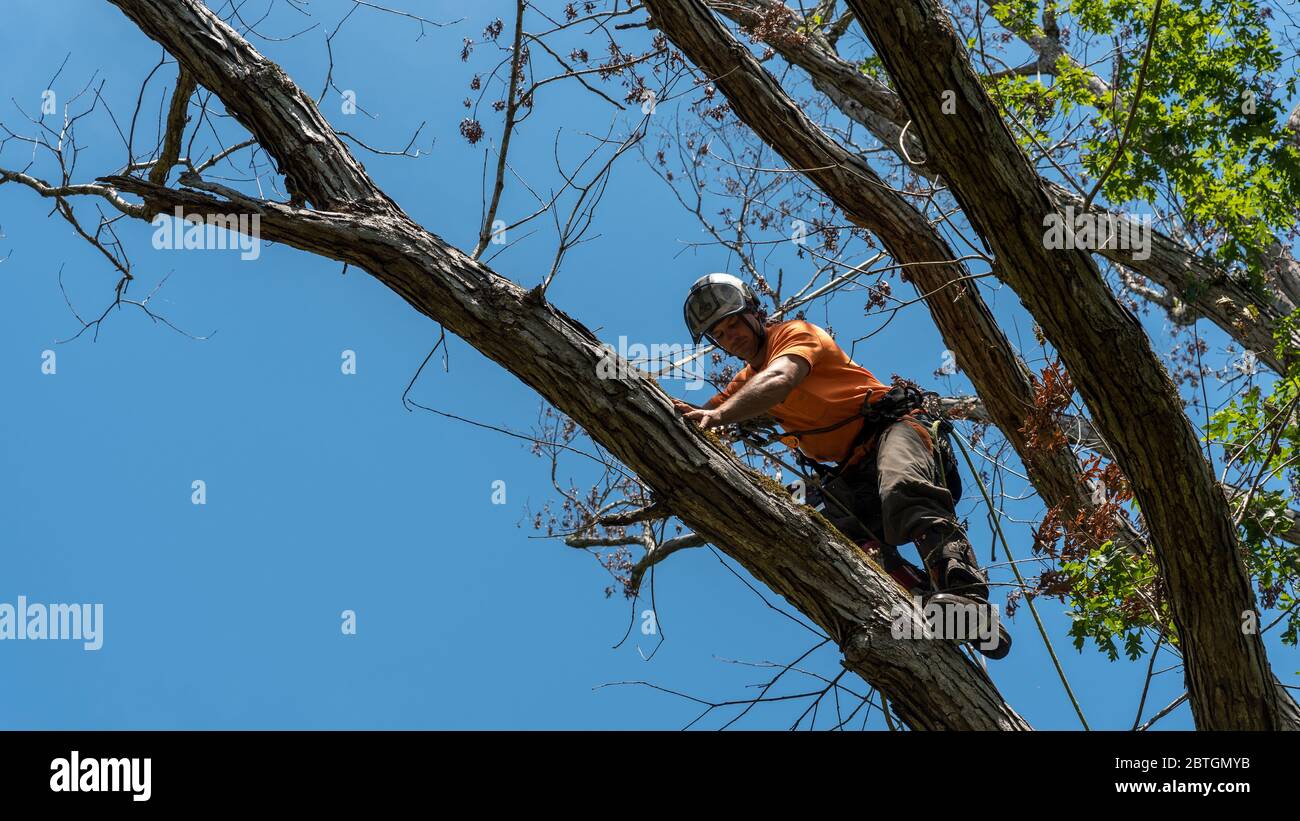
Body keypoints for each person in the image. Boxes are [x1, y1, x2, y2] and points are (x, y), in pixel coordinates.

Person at [674, 273, 1010, 659]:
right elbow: (703, 413)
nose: (730, 336)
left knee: (901, 488)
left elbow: (781, 379)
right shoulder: (744, 382)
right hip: (852, 474)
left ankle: (967, 597)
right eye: (719, 333)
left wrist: (721, 416)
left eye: (734, 322)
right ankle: (921, 600)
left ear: (754, 313)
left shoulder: (795, 334)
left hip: (896, 430)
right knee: (833, 537)